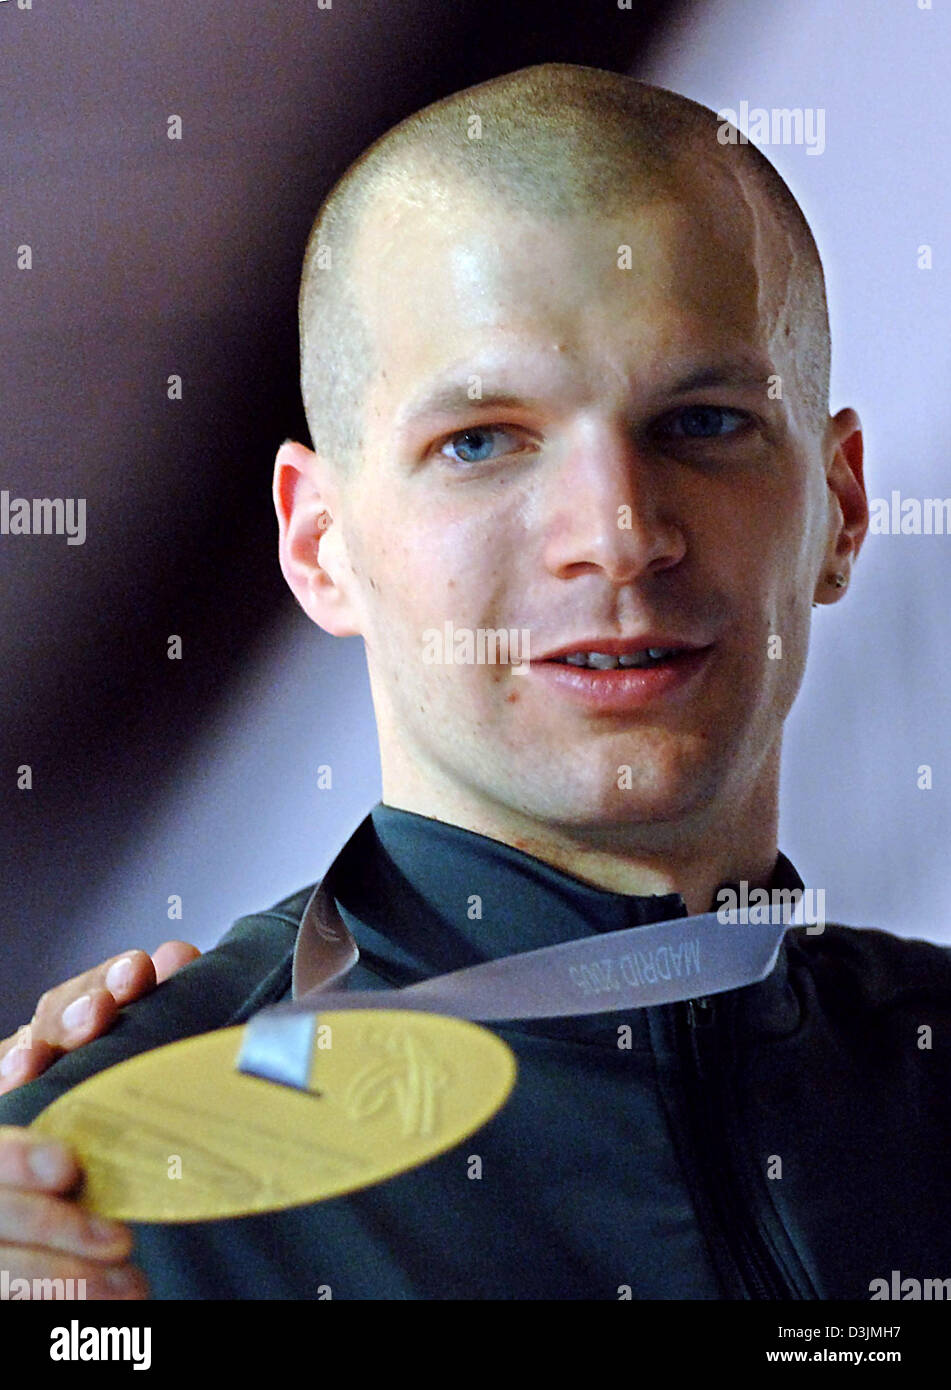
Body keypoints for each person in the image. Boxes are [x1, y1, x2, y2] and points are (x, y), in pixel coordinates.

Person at [1, 61, 948, 1301]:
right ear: (319, 546)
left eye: (703, 420)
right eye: (481, 442)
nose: (617, 532)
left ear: (840, 505)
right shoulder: (100, 1189)